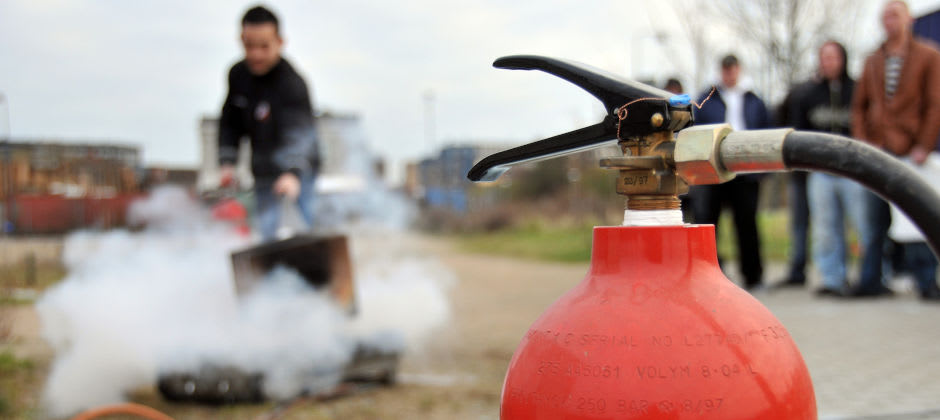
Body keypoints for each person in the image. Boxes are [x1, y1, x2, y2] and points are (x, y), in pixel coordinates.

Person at [850, 0, 940, 297]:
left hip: (911, 150)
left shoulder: (928, 55)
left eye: (894, 15)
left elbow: (934, 103)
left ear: (908, 19)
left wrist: (924, 145)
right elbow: (859, 107)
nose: (889, 21)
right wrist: (863, 141)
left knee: (915, 219)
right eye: (884, 16)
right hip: (878, 150)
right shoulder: (873, 60)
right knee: (874, 221)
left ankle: (927, 282)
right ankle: (871, 280)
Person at [218, 5, 321, 241]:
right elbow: (230, 122)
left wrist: (292, 173)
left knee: (302, 237)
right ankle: (272, 278)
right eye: (249, 46)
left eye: (264, 46)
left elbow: (299, 133)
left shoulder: (292, 83)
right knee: (268, 235)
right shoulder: (237, 76)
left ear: (280, 42)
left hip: (299, 173)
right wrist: (227, 161)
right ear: (241, 40)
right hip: (263, 171)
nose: (255, 54)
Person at [690, 54, 771, 291]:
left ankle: (753, 276)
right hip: (713, 170)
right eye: (725, 69)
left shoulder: (754, 99)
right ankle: (708, 274)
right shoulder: (706, 99)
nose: (729, 73)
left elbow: (765, 129)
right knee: (708, 222)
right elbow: (696, 129)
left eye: (732, 69)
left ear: (739, 70)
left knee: (747, 223)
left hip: (745, 170)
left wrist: (762, 169)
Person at [790, 41, 865, 296]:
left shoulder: (857, 91)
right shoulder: (807, 94)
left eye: (833, 57)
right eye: (824, 57)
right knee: (825, 228)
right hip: (820, 172)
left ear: (843, 59)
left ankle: (871, 276)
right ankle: (832, 279)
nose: (828, 62)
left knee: (863, 224)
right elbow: (796, 130)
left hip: (854, 171)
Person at [777, 80, 814, 288]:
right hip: (800, 173)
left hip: (803, 172)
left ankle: (798, 269)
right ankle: (798, 268)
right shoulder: (796, 99)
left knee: (802, 225)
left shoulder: (798, 99)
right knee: (801, 224)